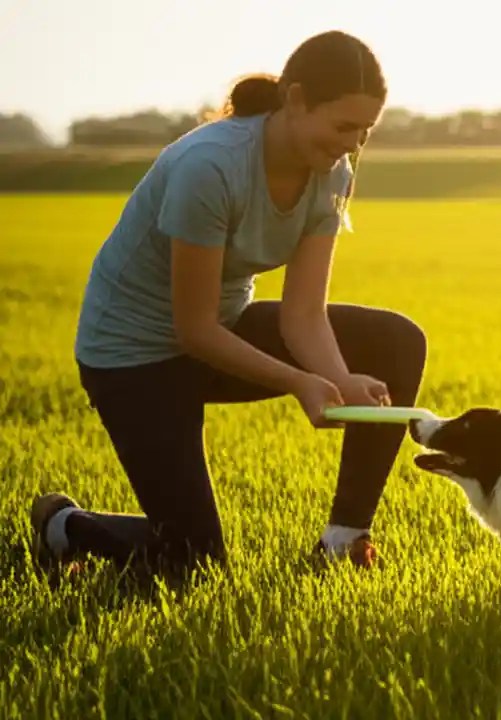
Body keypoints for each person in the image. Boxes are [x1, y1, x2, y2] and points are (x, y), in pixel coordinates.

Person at [29, 30, 426, 577]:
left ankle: (344, 540)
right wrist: (299, 381)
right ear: (296, 100)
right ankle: (63, 526)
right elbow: (192, 329)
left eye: (365, 130)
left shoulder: (332, 173)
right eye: (342, 126)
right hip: (133, 358)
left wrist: (338, 380)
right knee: (193, 558)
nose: (353, 143)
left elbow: (303, 313)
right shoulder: (209, 166)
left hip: (225, 330)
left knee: (396, 341)